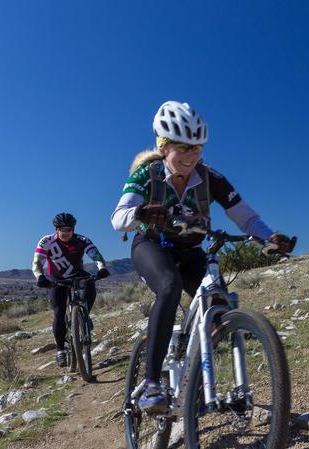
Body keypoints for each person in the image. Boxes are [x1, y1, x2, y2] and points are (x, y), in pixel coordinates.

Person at [111, 100, 294, 414]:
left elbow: (245, 217)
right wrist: (142, 212)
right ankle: (152, 383)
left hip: (191, 250)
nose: (191, 156)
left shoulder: (211, 178)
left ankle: (196, 374)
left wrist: (270, 238)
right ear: (164, 146)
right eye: (182, 148)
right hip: (151, 245)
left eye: (196, 148)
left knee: (218, 300)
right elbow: (118, 218)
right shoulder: (147, 174)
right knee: (169, 286)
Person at [33, 213, 110, 367]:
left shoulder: (82, 240)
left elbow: (95, 255)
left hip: (77, 274)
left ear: (73, 229)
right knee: (59, 313)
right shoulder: (47, 241)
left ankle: (85, 314)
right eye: (63, 229)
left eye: (69, 229)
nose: (66, 233)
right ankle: (60, 350)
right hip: (56, 278)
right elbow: (37, 262)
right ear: (56, 229)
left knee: (90, 284)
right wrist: (40, 277)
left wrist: (101, 268)